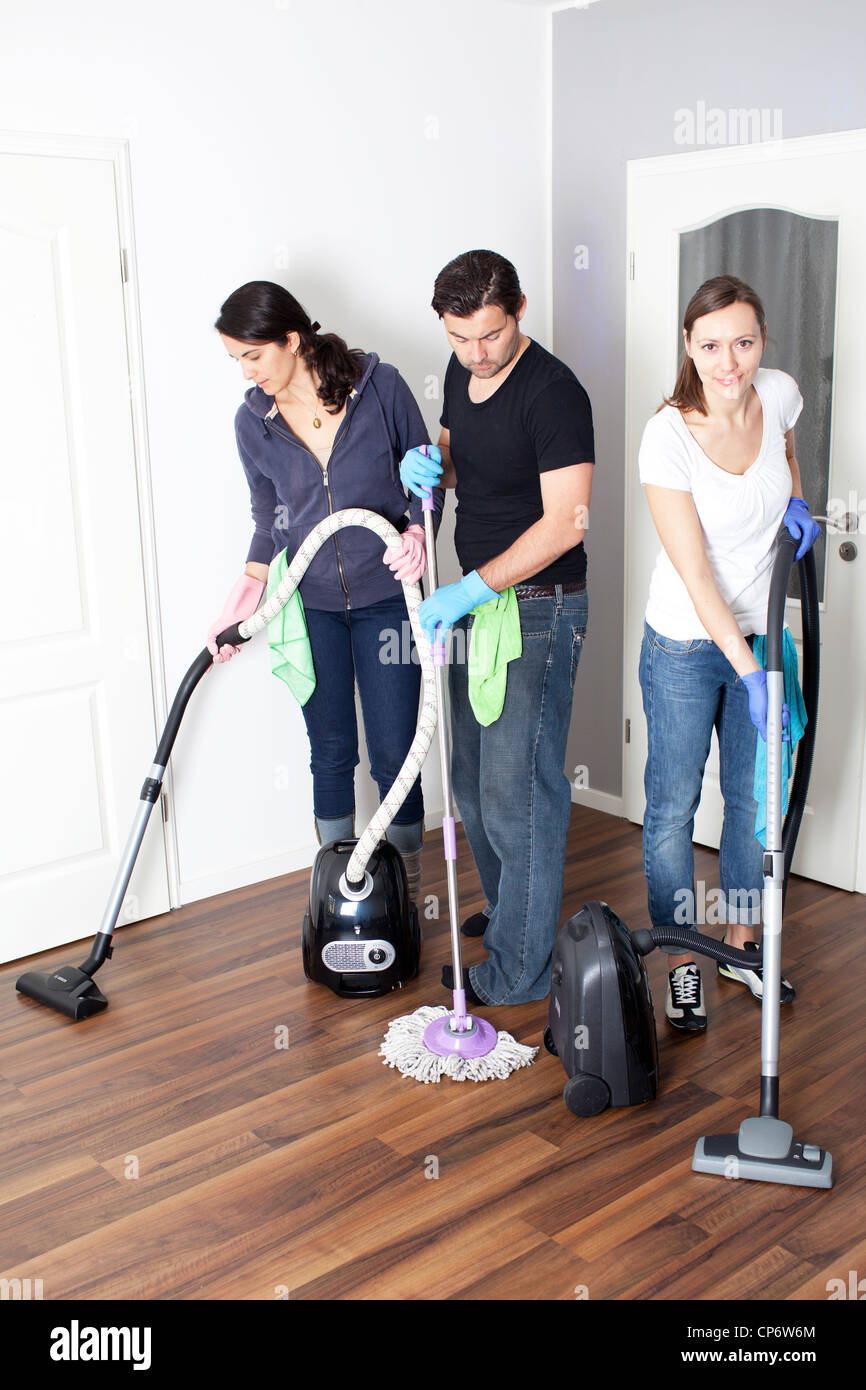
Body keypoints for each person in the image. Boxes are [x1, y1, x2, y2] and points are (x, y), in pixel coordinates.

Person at [400, 249, 595, 1006]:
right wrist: (429, 464)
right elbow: (460, 461)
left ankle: (520, 970)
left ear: (518, 309)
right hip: (476, 603)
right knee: (475, 786)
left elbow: (564, 524)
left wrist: (467, 590)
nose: (477, 354)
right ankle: (513, 913)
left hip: (538, 608)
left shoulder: (554, 393)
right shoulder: (461, 371)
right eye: (460, 339)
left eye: (490, 334)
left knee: (521, 794)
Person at [209, 281, 443, 899]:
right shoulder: (252, 422)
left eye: (251, 355)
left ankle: (406, 888)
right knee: (331, 750)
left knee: (397, 751)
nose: (245, 371)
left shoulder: (379, 386)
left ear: (291, 339)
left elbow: (426, 479)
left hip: (389, 599)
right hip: (310, 605)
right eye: (235, 358)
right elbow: (269, 521)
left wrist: (419, 532)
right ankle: (339, 889)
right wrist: (239, 606)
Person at [637, 274, 821, 1033]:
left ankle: (744, 946)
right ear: (689, 346)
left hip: (762, 634)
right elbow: (695, 572)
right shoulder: (668, 435)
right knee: (674, 808)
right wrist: (750, 674)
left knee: (754, 803)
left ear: (763, 340)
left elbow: (785, 453)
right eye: (711, 345)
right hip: (686, 643)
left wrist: (800, 502)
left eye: (743, 342)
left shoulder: (776, 394)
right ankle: (684, 961)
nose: (729, 361)